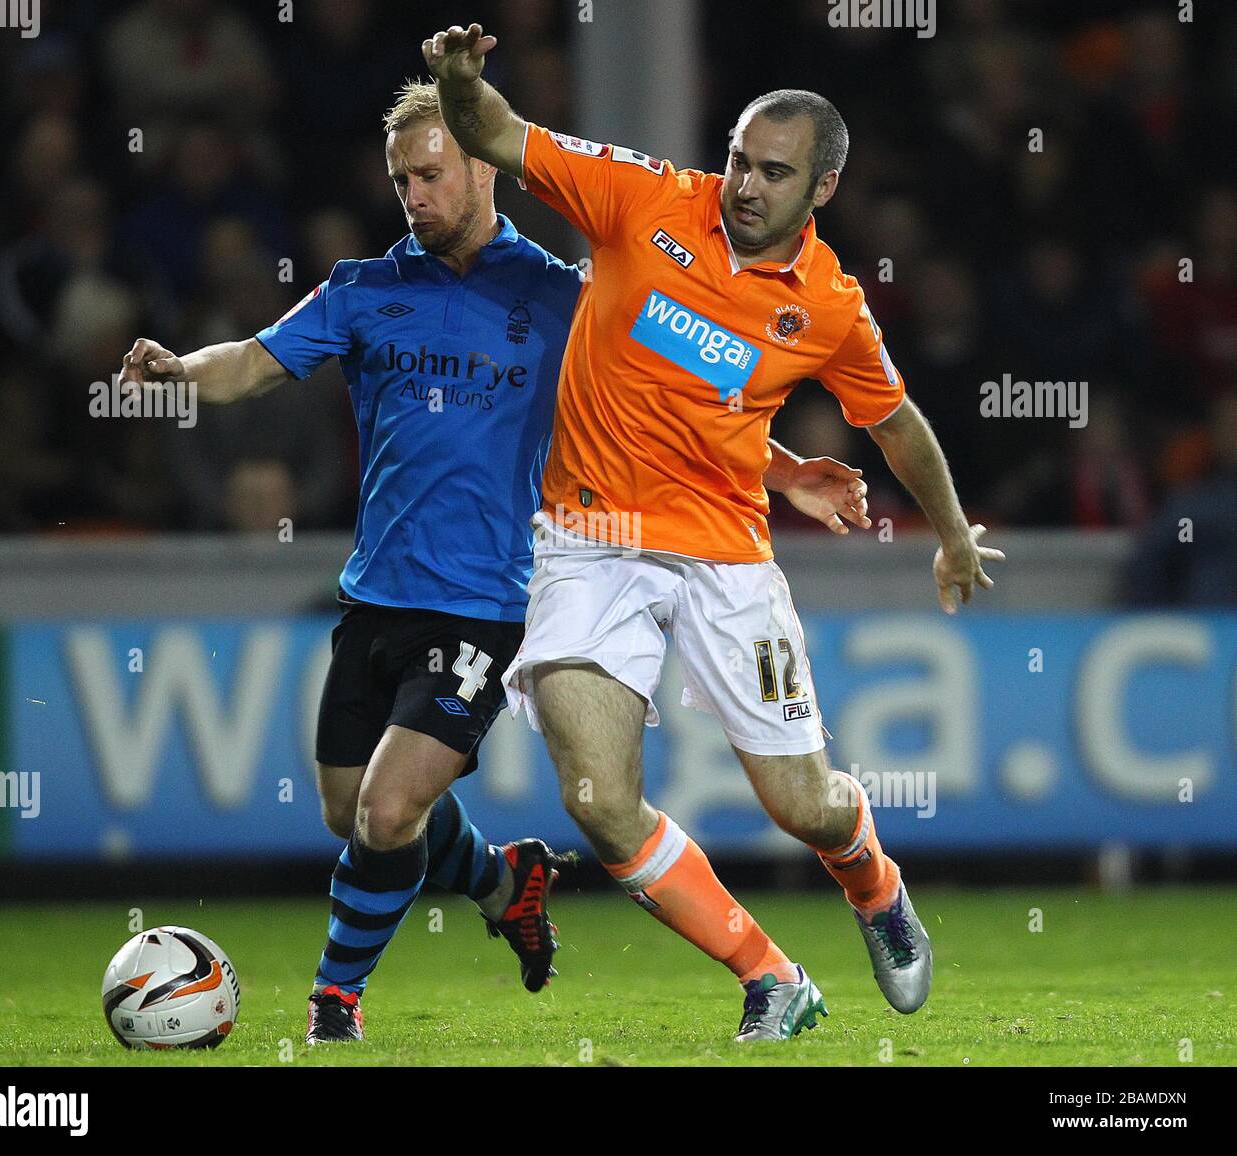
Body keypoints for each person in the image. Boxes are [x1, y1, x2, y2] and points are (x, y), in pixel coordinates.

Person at [118, 81, 865, 1044]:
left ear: (482, 166)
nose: (415, 197)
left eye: (431, 174)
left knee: (389, 813)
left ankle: (333, 1006)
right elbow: (257, 360)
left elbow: (673, 413)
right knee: (356, 815)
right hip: (377, 599)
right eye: (400, 181)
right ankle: (506, 879)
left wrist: (789, 468)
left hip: (490, 603)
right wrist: (185, 369)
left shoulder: (563, 293)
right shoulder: (363, 290)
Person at [425, 23, 1005, 1042]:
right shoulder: (644, 197)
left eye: (772, 173)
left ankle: (870, 881)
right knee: (600, 800)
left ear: (819, 191)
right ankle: (771, 977)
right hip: (585, 543)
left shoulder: (827, 306)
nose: (743, 185)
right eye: (738, 158)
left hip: (730, 563)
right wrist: (460, 83)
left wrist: (951, 534)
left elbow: (895, 421)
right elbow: (501, 134)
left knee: (805, 806)